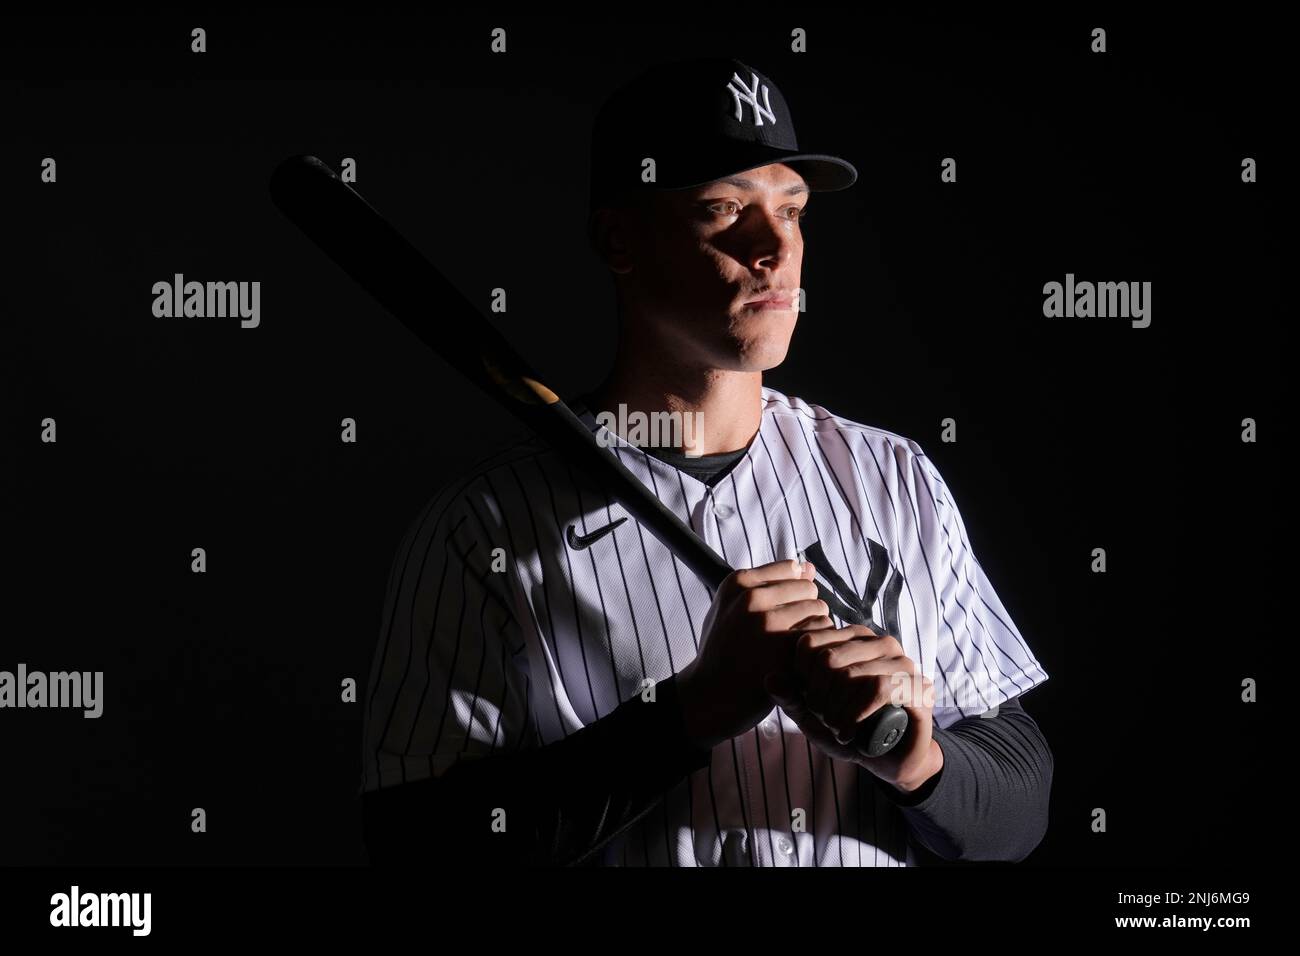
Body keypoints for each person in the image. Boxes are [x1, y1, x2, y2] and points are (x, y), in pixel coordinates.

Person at [359, 56, 1053, 867]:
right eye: (723, 208)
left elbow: (1019, 812)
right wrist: (687, 716)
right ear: (619, 239)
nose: (775, 248)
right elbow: (414, 849)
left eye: (790, 209)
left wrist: (917, 763)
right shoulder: (483, 529)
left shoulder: (893, 479)